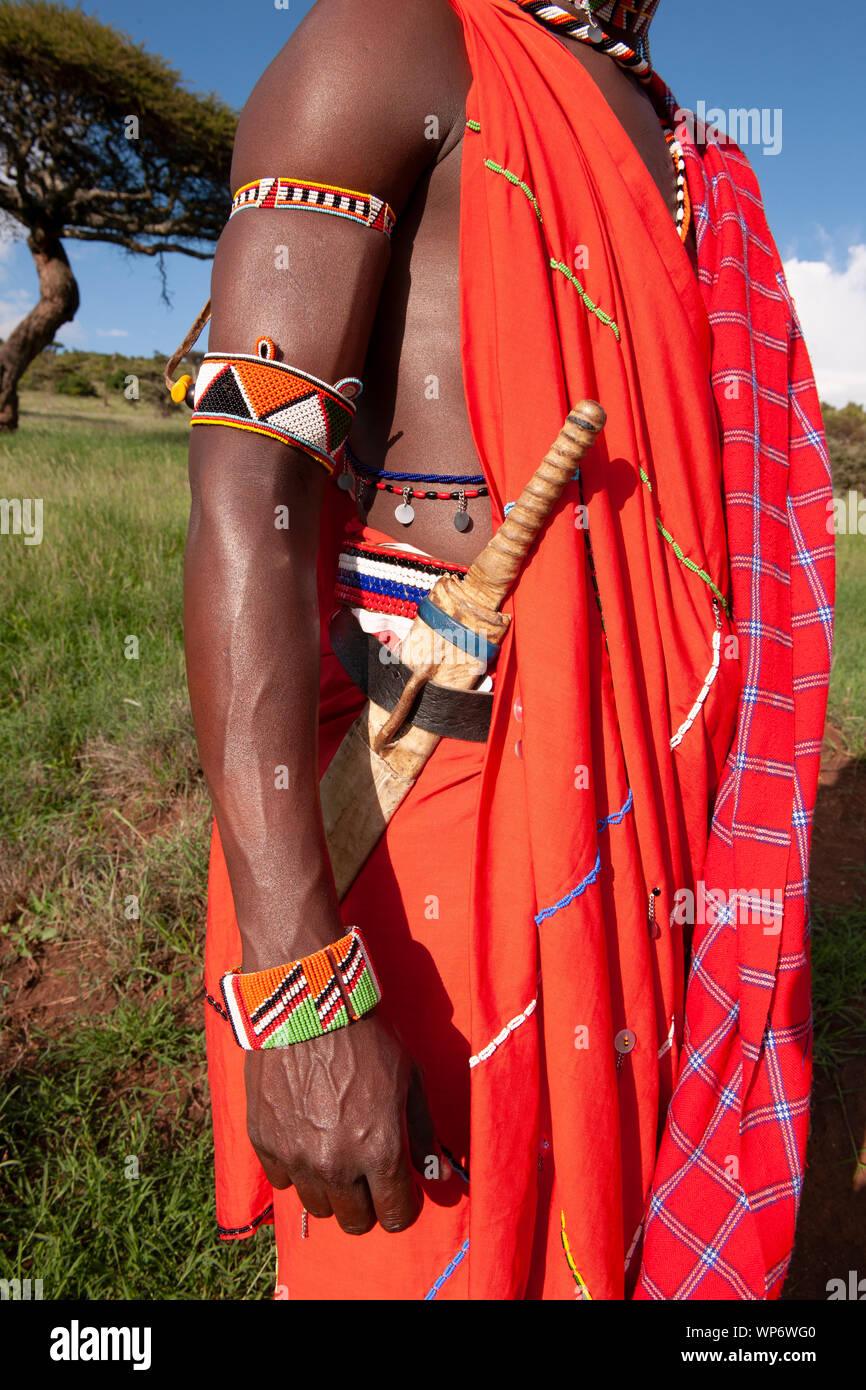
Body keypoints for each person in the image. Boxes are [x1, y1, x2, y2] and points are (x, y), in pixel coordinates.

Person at [180, 0, 834, 1299]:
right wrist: (300, 993)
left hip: (664, 808)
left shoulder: (696, 157)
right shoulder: (386, 43)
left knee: (622, 1203)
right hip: (436, 791)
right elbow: (242, 511)